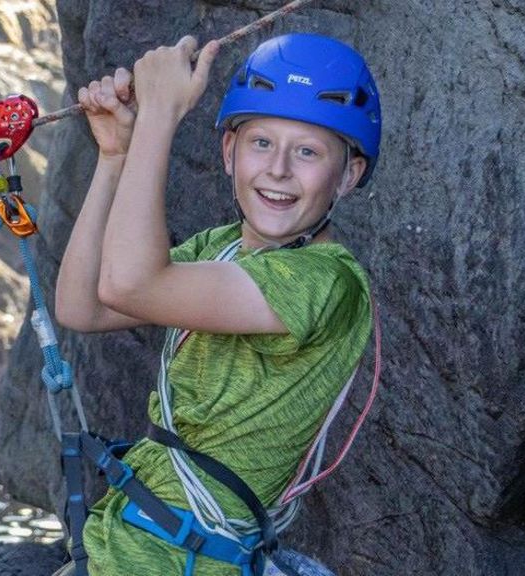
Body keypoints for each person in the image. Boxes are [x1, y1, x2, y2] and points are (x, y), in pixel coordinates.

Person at [53, 33, 381, 576]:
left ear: (348, 175)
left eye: (307, 152)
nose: (278, 170)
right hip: (126, 540)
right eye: (260, 144)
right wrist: (115, 156)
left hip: (180, 561)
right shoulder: (221, 247)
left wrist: (160, 113)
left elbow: (132, 285)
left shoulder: (327, 284)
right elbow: (83, 305)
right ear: (229, 152)